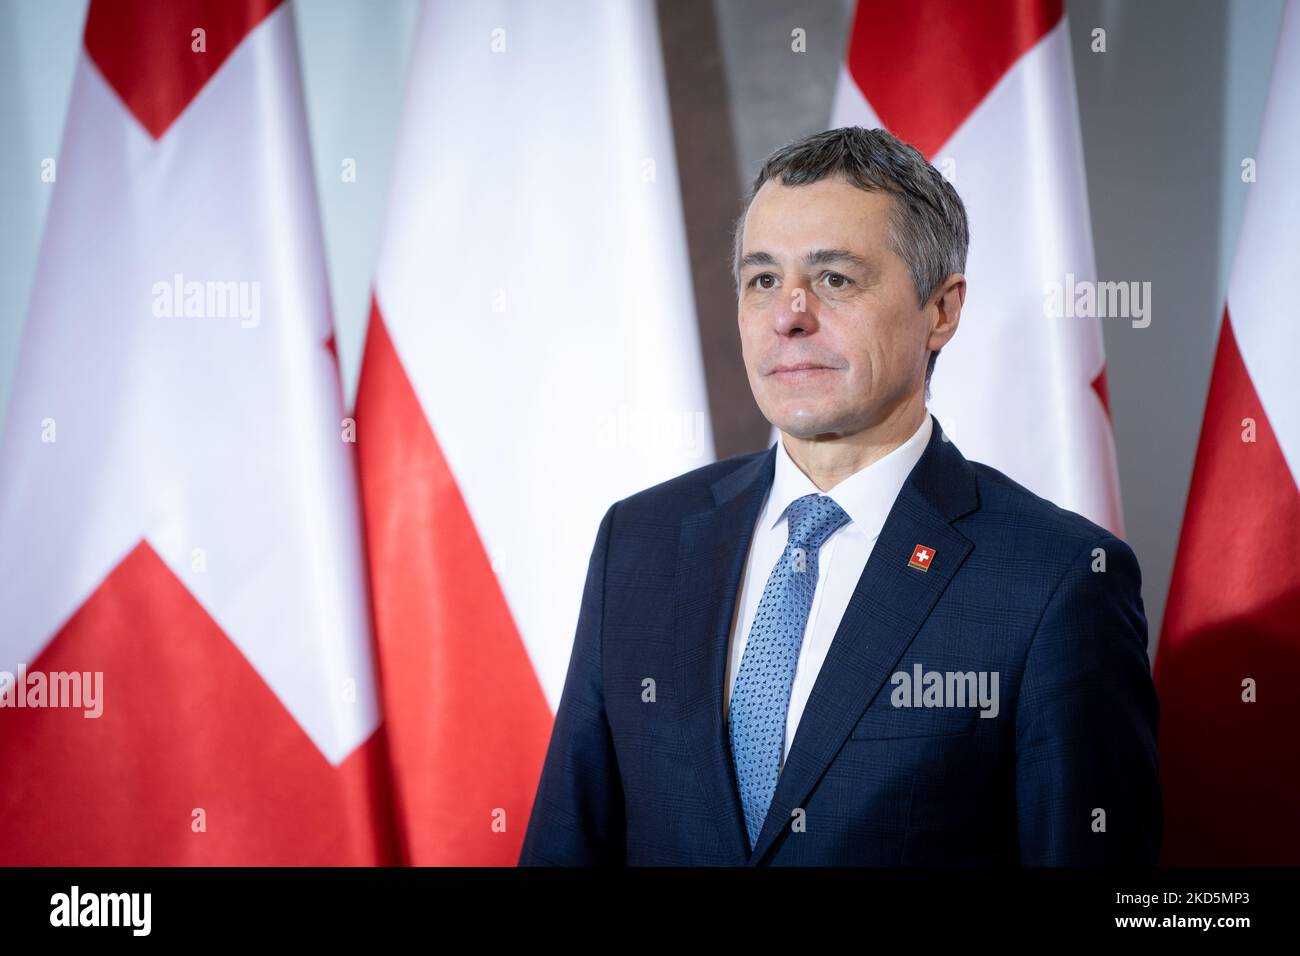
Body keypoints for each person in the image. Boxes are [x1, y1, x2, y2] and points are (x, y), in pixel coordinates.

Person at [518, 126, 1161, 865]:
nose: (788, 315)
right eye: (762, 279)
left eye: (834, 279)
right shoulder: (641, 541)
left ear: (942, 311)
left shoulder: (1055, 580)